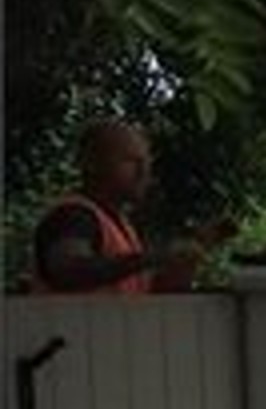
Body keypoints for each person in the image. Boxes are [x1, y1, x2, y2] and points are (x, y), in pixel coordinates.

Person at [28, 120, 234, 294]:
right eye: (131, 161)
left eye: (146, 163)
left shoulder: (119, 223)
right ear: (90, 163)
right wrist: (157, 256)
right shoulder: (73, 215)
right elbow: (69, 271)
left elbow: (149, 293)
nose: (143, 172)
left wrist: (189, 255)